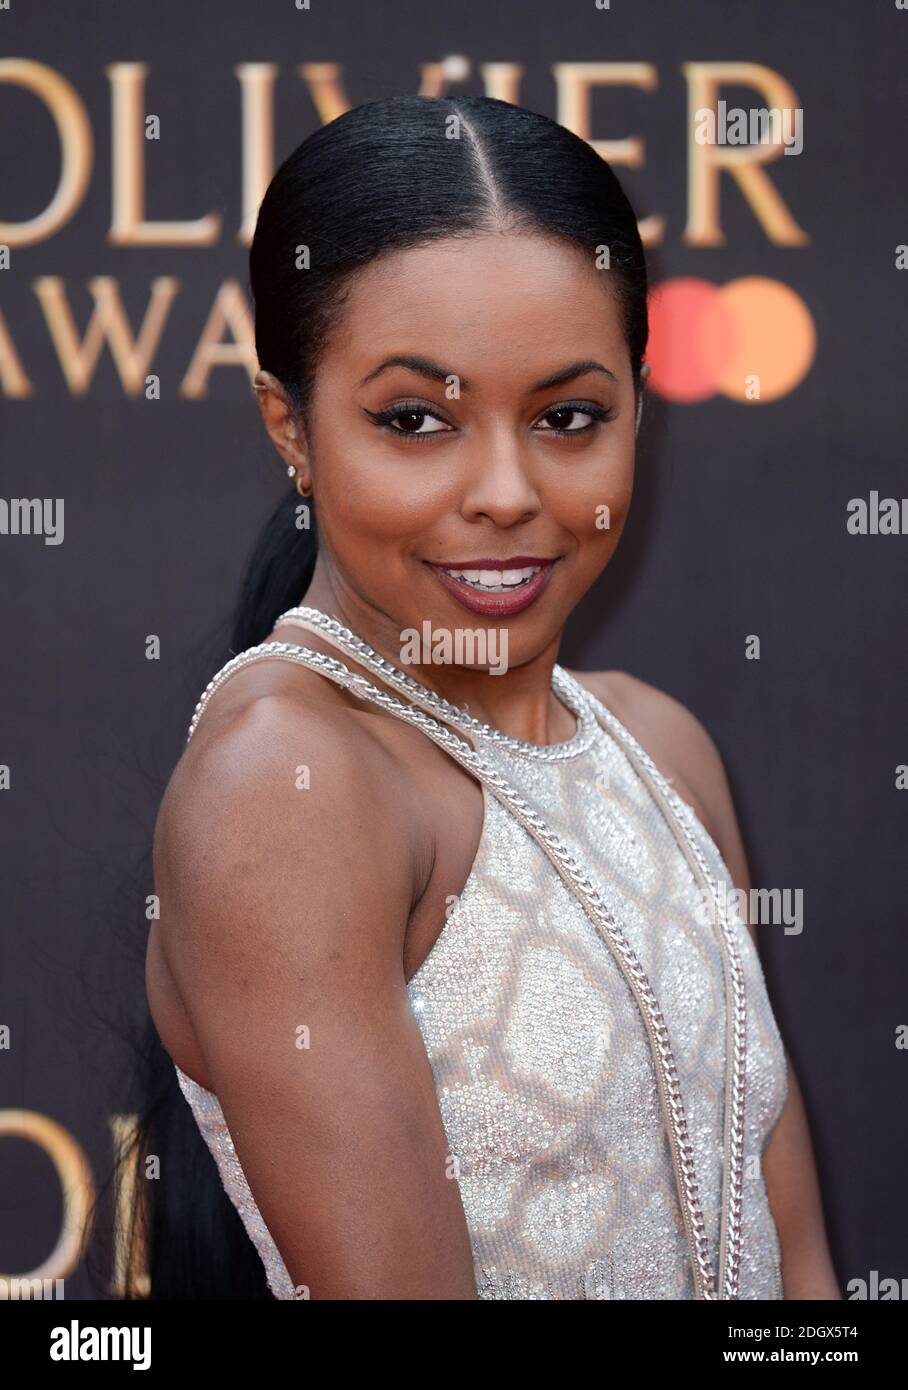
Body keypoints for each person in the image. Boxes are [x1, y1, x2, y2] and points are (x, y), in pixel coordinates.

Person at [139, 93, 839, 1300]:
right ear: (290, 427)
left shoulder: (663, 750)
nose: (507, 491)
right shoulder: (289, 785)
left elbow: (797, 1273)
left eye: (568, 416)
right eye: (415, 420)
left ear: (635, 408)